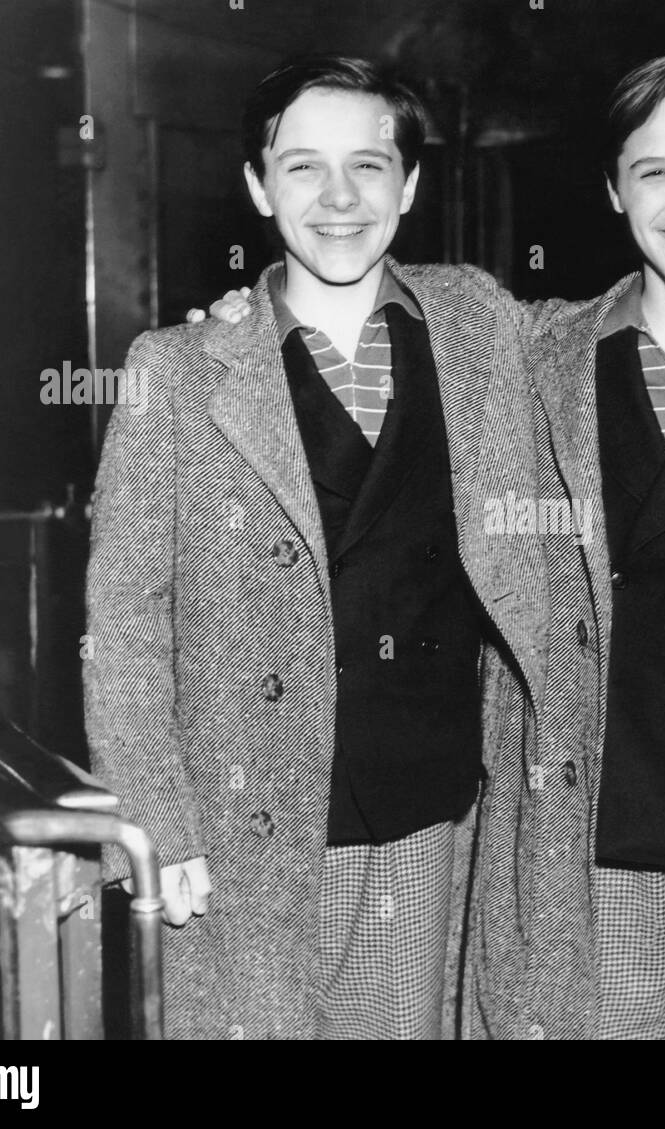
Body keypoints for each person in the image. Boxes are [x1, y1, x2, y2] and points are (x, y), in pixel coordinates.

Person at [190, 53, 665, 1041]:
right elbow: (360, 311)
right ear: (614, 188)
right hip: (575, 833)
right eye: (655, 170)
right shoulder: (531, 351)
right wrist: (234, 319)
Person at [85, 54, 575, 1039]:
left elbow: (616, 331)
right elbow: (124, 625)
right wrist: (156, 819)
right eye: (303, 167)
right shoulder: (177, 370)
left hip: (421, 800)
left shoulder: (478, 321)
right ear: (259, 188)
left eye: (369, 164)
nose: (339, 197)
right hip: (242, 816)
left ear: (411, 184)